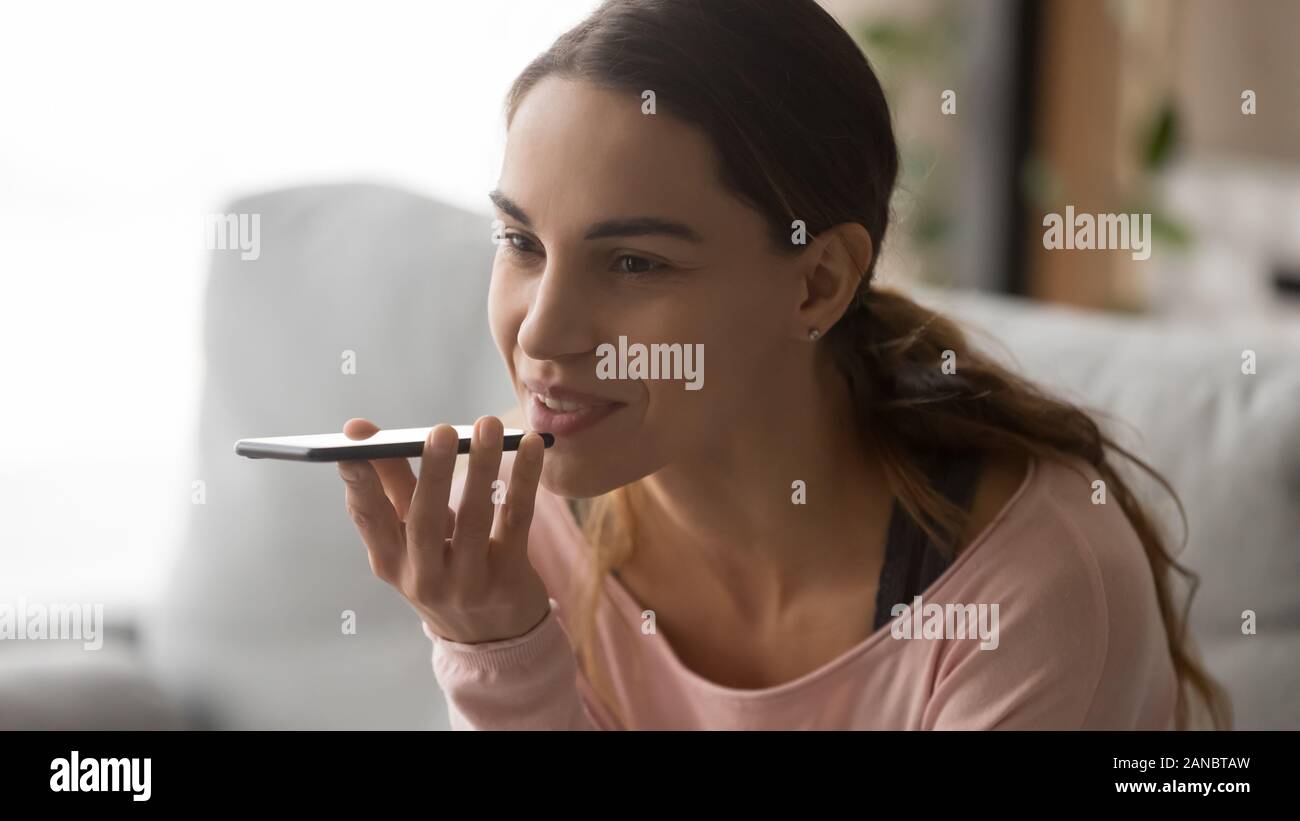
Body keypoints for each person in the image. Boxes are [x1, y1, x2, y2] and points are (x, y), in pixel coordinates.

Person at [335, 0, 1229, 730]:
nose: (540, 336)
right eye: (521, 241)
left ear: (817, 283)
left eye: (635, 262)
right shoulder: (526, 542)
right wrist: (497, 649)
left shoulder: (1028, 586)